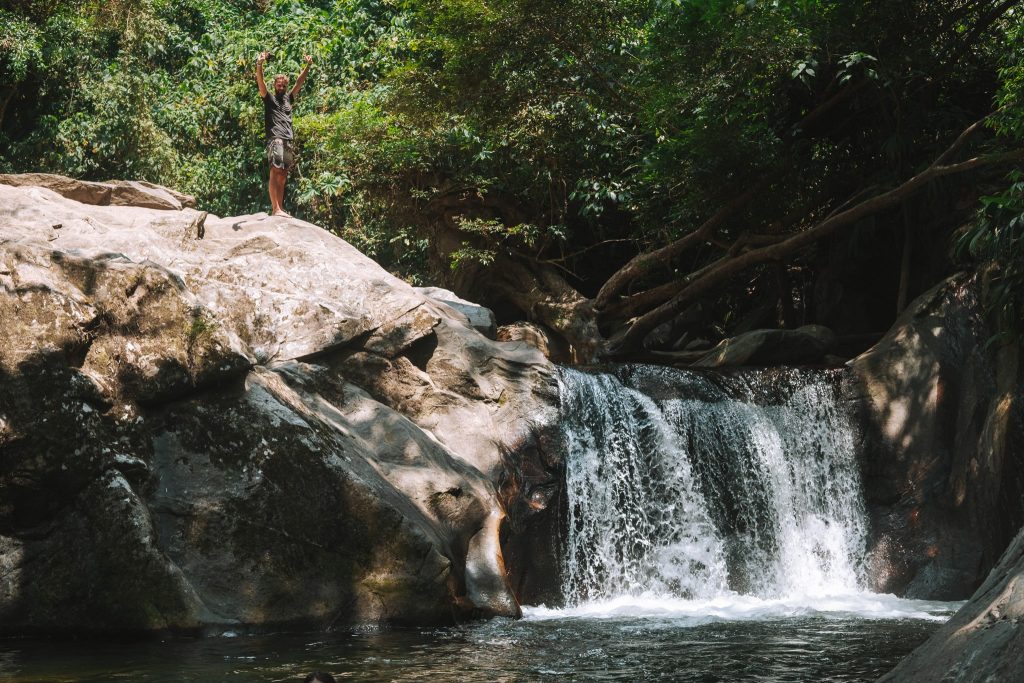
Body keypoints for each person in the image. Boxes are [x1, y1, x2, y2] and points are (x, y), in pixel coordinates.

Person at [256, 50, 312, 217]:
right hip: (276, 139)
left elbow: (299, 83)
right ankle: (275, 208)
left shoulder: (288, 99)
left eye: (283, 85)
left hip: (288, 140)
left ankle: (279, 208)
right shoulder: (269, 99)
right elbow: (261, 82)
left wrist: (308, 66)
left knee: (283, 174)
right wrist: (259, 64)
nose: (281, 87)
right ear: (275, 86)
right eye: (278, 85)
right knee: (275, 170)